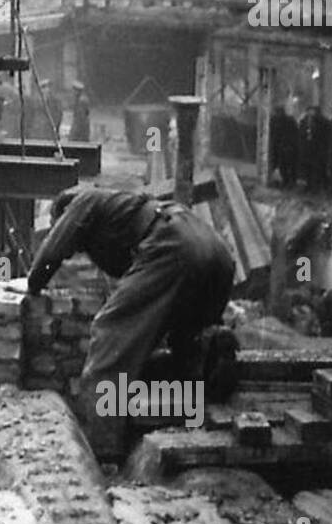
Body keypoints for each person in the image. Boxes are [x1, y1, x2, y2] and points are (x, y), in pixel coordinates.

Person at [25, 187, 237, 452]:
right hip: (217, 255)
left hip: (176, 247)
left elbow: (53, 249)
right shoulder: (122, 212)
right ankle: (210, 351)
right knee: (186, 343)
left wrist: (33, 285)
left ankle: (102, 447)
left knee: (110, 334)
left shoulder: (83, 202)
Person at [298, 104, 331, 193]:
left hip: (317, 150)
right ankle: (310, 186)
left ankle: (316, 187)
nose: (310, 114)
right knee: (309, 169)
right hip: (308, 150)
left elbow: (326, 136)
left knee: (316, 169)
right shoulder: (304, 122)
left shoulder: (322, 122)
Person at [269, 104, 299, 188]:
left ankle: (289, 182)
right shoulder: (273, 120)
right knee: (279, 165)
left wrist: (290, 144)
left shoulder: (289, 121)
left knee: (288, 165)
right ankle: (282, 181)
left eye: (278, 112)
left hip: (287, 146)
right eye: (276, 112)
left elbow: (294, 134)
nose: (277, 114)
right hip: (277, 146)